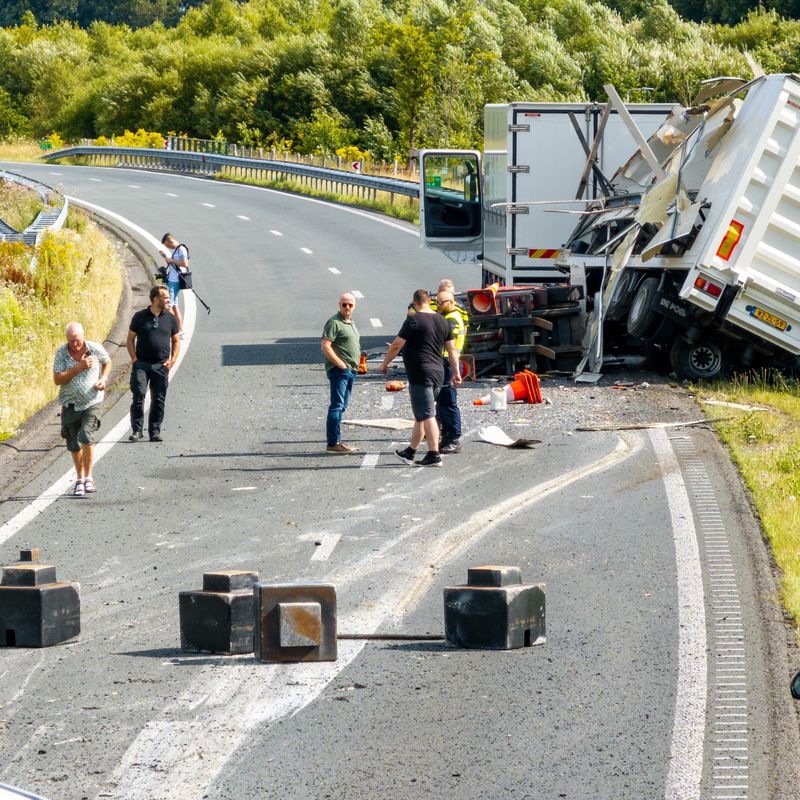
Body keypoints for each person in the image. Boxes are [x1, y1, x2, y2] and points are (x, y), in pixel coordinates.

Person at [379, 289, 461, 467]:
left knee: (428, 415)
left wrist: (385, 364)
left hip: (420, 373)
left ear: (415, 302)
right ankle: (410, 452)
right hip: (438, 373)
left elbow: (396, 345)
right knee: (421, 415)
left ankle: (433, 454)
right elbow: (452, 350)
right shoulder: (442, 321)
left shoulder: (414, 320)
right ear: (430, 301)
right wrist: (456, 372)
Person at [53, 322, 112, 497]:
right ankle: (79, 479)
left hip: (92, 401)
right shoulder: (61, 353)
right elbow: (57, 379)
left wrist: (103, 379)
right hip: (70, 404)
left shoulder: (95, 348)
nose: (74, 344)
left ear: (83, 336)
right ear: (66, 339)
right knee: (73, 444)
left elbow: (107, 361)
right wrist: (79, 367)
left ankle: (89, 477)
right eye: (71, 341)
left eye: (77, 340)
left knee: (86, 436)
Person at [127, 285, 180, 443]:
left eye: (168, 297)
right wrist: (134, 359)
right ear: (155, 299)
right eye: (165, 297)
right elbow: (130, 340)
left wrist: (173, 359)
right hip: (141, 364)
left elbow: (176, 340)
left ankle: (154, 432)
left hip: (161, 365)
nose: (168, 300)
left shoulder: (170, 318)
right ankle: (137, 431)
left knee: (158, 399)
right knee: (138, 394)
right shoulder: (139, 317)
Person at [321, 292, 361, 454]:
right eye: (344, 304)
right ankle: (333, 443)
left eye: (350, 304)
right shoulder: (334, 322)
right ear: (339, 305)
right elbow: (325, 346)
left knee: (342, 405)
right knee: (337, 405)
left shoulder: (350, 323)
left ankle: (336, 441)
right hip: (340, 371)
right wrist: (340, 364)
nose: (347, 307)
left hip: (350, 370)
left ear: (354, 306)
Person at [436, 289, 467, 454]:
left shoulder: (451, 320)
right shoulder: (449, 317)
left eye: (441, 303)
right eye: (437, 302)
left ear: (451, 302)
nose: (438, 305)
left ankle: (454, 438)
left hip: (449, 365)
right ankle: (447, 436)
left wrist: (456, 371)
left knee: (448, 402)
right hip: (447, 364)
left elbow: (451, 348)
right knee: (442, 402)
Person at [159, 233, 188, 338]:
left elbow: (185, 263)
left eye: (167, 245)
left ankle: (174, 331)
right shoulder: (176, 250)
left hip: (175, 281)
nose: (168, 247)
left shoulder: (181, 249)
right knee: (174, 306)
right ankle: (180, 331)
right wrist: (166, 257)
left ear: (170, 241)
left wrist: (171, 260)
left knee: (168, 306)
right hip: (172, 280)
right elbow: (176, 263)